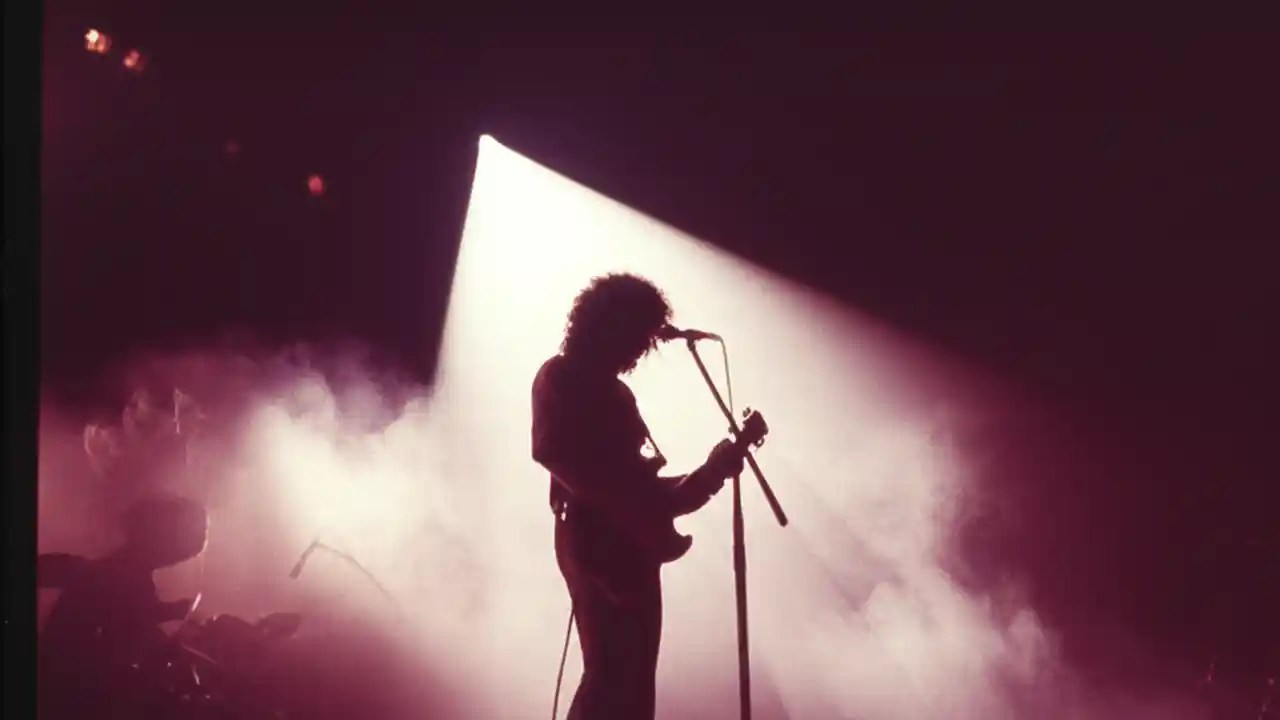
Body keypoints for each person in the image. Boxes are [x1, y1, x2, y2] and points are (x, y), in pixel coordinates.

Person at [531, 273, 745, 719]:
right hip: (594, 544)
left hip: (630, 549)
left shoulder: (619, 394)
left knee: (635, 681)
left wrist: (711, 473)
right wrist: (627, 513)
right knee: (608, 675)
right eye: (638, 333)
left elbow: (646, 491)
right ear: (609, 324)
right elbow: (551, 452)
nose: (643, 347)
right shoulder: (561, 374)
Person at [37, 493, 208, 718]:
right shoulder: (127, 578)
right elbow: (125, 635)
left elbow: (131, 614)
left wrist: (171, 613)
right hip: (76, 692)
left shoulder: (115, 570)